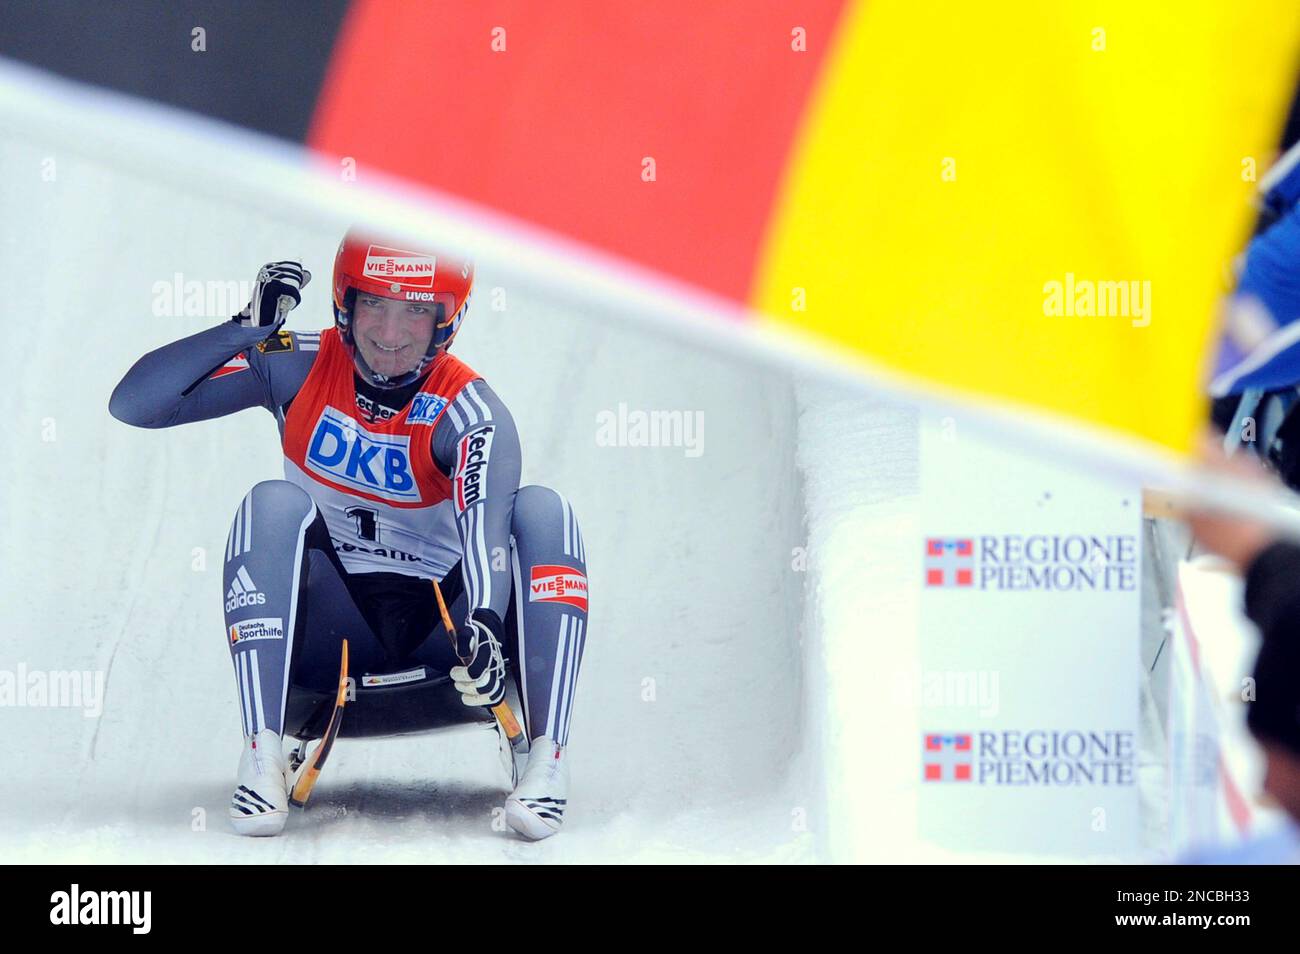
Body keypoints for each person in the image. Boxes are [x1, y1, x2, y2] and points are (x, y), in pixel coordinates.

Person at [109, 229, 589, 840]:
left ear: (447, 322)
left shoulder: (472, 412)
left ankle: (547, 753)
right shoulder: (294, 361)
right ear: (345, 303)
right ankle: (260, 748)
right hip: (327, 642)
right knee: (272, 503)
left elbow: (487, 529)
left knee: (545, 512)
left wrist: (488, 626)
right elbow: (135, 404)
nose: (390, 334)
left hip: (453, 649)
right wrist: (243, 331)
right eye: (376, 305)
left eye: (416, 311)